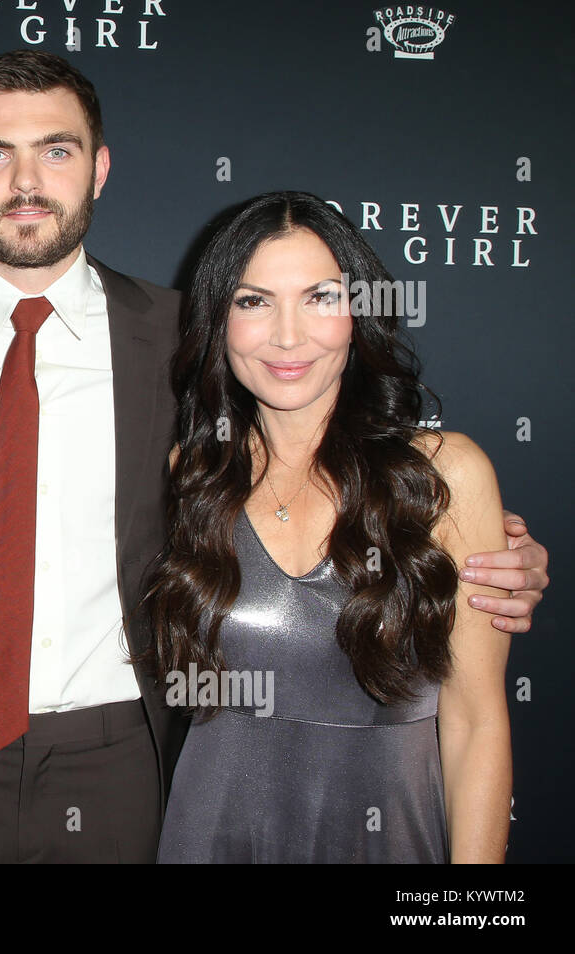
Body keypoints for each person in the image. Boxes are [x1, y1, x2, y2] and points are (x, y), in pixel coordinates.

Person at [0, 51, 547, 863]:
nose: (27, 181)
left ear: (98, 169)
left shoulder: (188, 337)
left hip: (126, 763)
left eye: (55, 151)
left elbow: (334, 458)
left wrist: (486, 546)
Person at [148, 191, 512, 862]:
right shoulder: (189, 475)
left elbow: (476, 723)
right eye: (253, 301)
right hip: (210, 837)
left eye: (319, 297)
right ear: (218, 321)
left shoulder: (446, 475)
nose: (289, 335)